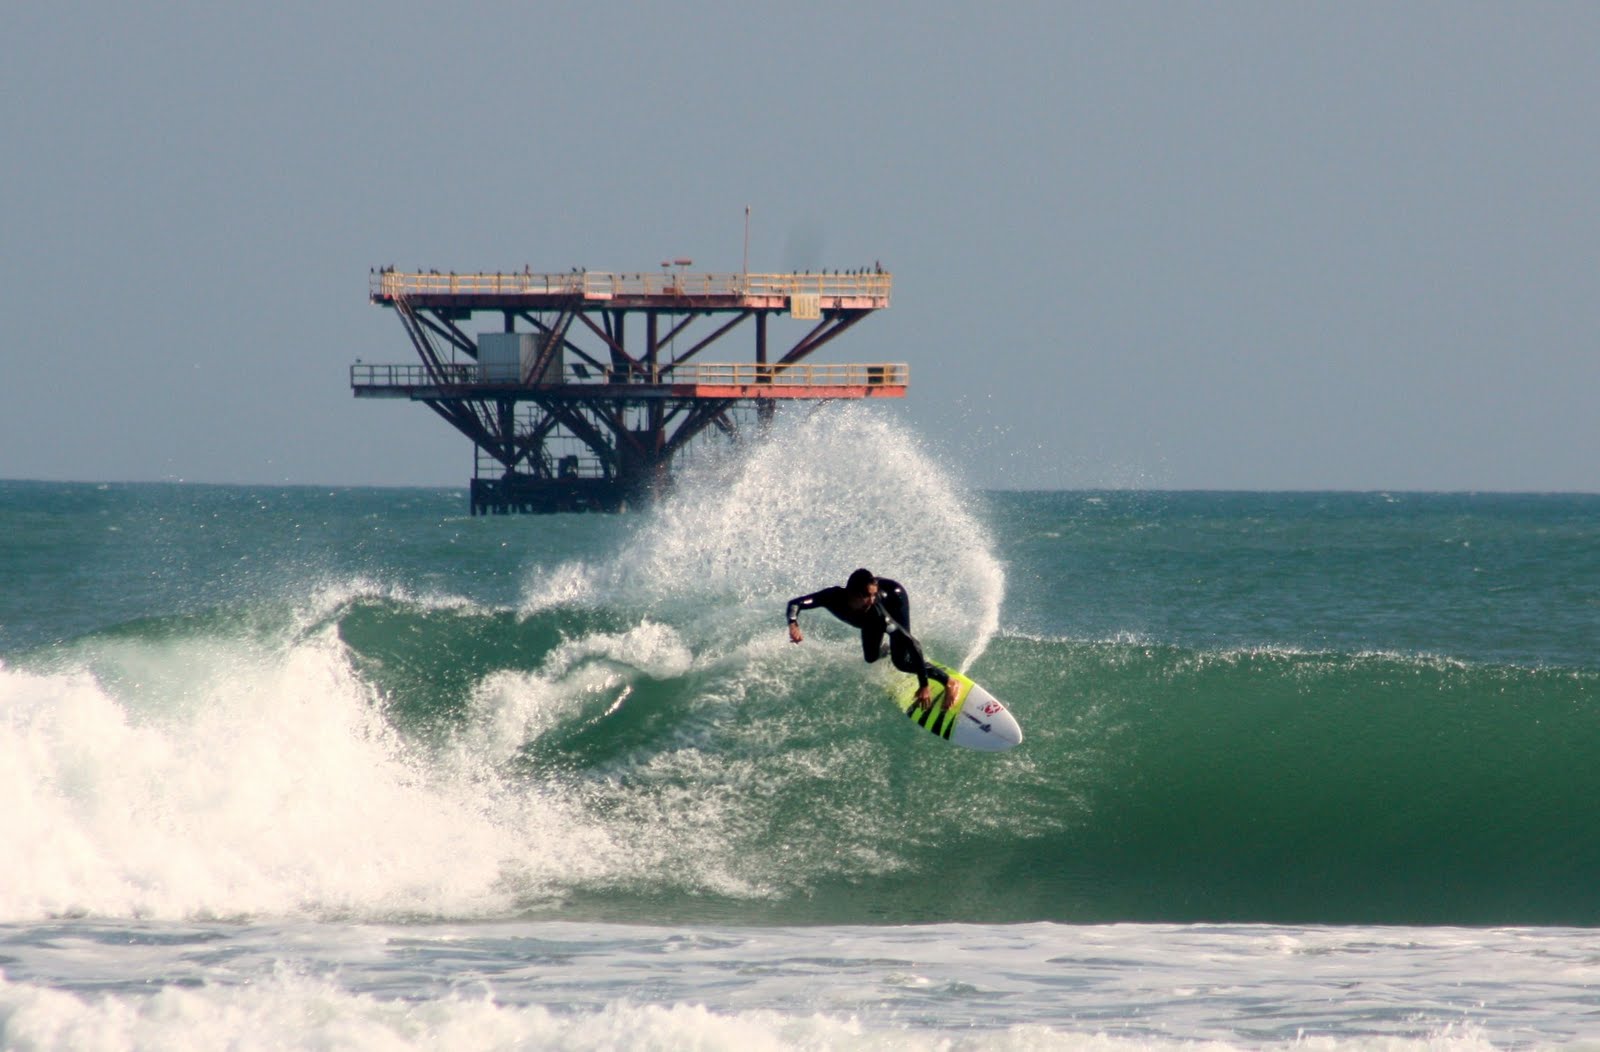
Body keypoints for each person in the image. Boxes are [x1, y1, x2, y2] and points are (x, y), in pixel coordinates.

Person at [786, 568, 958, 711]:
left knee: (902, 662)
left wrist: (924, 685)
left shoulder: (876, 613)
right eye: (867, 596)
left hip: (894, 598)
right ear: (852, 593)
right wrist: (793, 624)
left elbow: (912, 643)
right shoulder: (831, 597)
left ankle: (949, 682)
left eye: (874, 595)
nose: (872, 600)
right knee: (871, 658)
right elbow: (796, 603)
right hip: (870, 619)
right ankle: (889, 650)